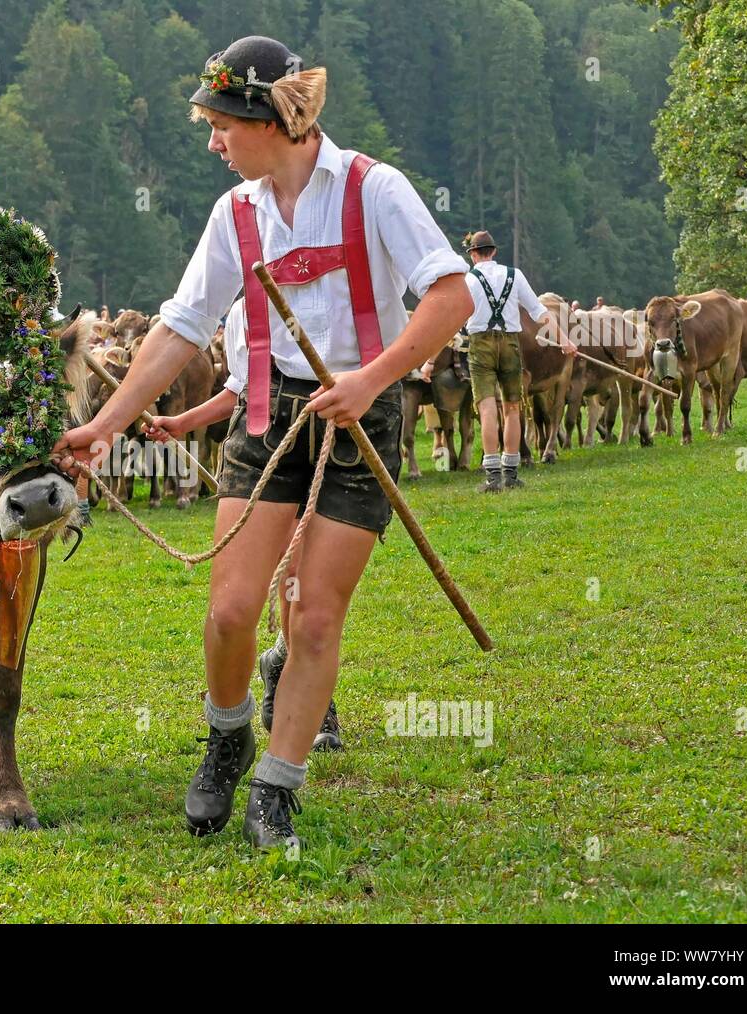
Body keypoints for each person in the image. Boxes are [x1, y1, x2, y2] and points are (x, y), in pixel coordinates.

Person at [55, 35, 474, 851]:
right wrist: (105, 426)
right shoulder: (235, 213)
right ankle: (228, 735)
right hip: (266, 415)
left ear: (267, 118)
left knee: (315, 619)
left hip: (361, 417)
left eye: (219, 125)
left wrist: (373, 379)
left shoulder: (372, 188)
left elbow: (451, 296)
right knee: (231, 610)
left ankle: (277, 789)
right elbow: (182, 325)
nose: (212, 143)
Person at [146, 298, 344, 752]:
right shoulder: (242, 313)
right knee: (280, 577)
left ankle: (293, 673)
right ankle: (281, 679)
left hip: (334, 445)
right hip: (264, 454)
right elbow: (239, 388)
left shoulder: (331, 292)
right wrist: (182, 421)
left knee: (308, 584)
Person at [462, 230, 574, 492]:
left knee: (488, 407)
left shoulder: (468, 279)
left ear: (473, 255)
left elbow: (455, 316)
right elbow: (539, 311)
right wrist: (565, 340)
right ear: (494, 251)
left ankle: (492, 477)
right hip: (511, 343)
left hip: (480, 344)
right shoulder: (514, 275)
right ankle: (511, 473)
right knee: (512, 407)